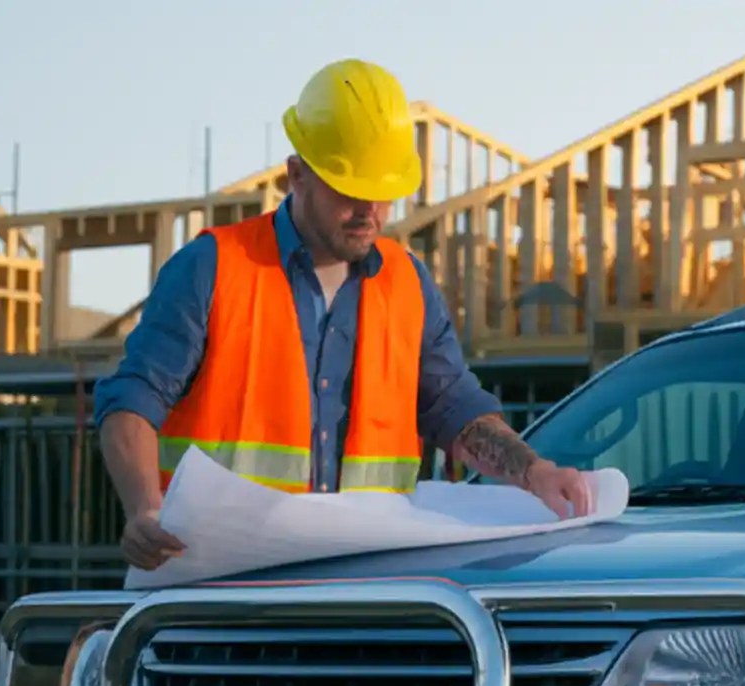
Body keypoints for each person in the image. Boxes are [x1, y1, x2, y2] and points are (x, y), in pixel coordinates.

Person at [93, 58, 592, 572]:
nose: (368, 210)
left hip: (364, 584)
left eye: (383, 192)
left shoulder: (409, 284)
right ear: (297, 175)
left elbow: (456, 408)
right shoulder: (212, 268)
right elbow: (131, 401)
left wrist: (535, 473)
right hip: (220, 582)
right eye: (348, 190)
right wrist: (143, 509)